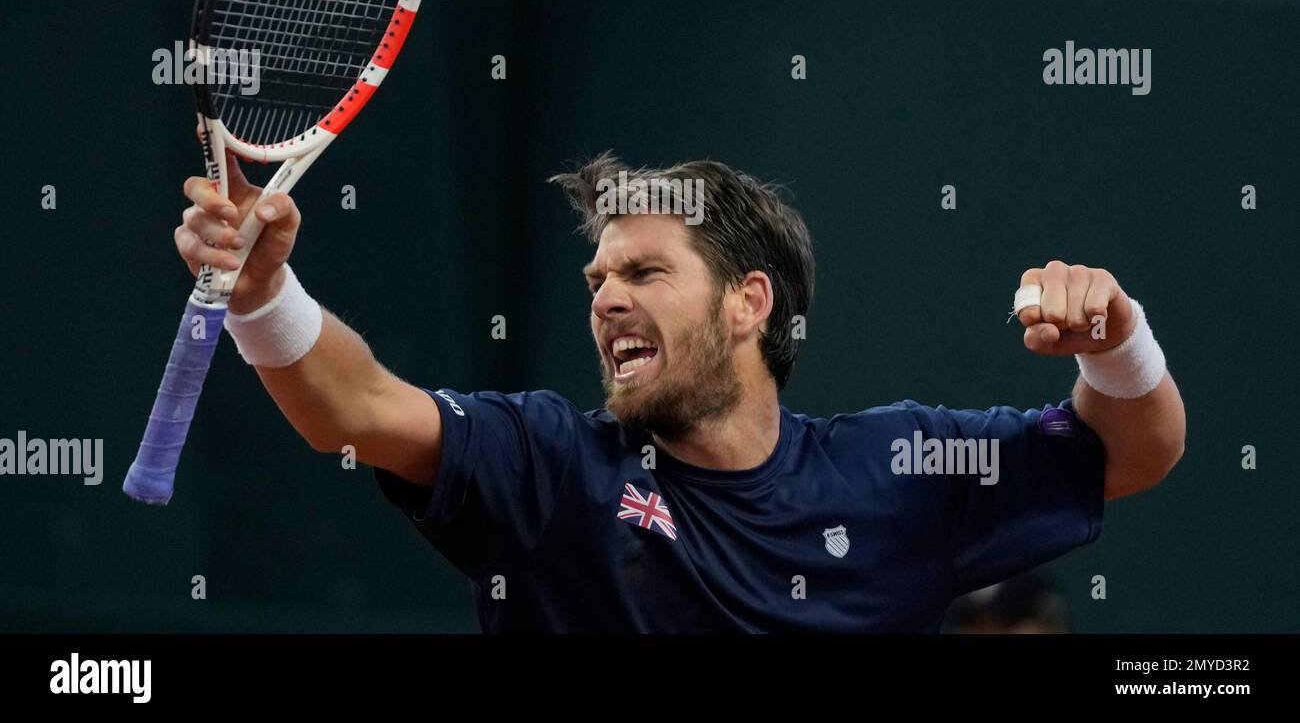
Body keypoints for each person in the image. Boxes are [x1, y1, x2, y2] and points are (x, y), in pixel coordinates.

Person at [173, 147, 1185, 632]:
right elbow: (349, 408)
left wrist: (1117, 340)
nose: (605, 297)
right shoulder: (545, 463)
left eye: (644, 272)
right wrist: (266, 289)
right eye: (596, 280)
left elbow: (1132, 450)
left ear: (748, 303)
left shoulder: (902, 471)